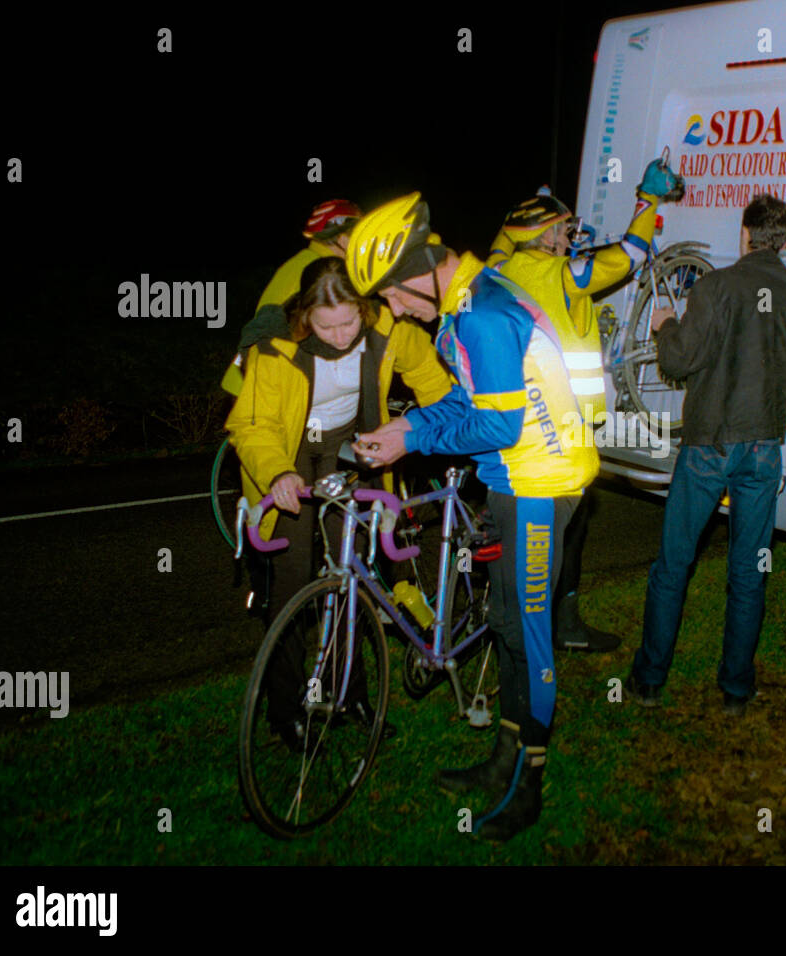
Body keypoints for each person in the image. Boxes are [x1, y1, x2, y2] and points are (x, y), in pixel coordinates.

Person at [344, 192, 599, 842]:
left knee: (528, 634)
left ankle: (527, 786)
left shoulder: (482, 313)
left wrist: (415, 438)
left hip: (542, 483)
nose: (395, 310)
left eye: (393, 296)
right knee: (507, 622)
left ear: (418, 271)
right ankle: (503, 758)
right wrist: (413, 423)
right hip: (520, 478)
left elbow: (500, 421)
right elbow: (472, 397)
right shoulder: (472, 299)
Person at [627, 193, 786, 716]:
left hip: (710, 443)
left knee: (674, 564)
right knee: (749, 571)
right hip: (764, 448)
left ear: (744, 234)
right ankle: (735, 690)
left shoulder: (715, 286)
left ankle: (648, 681)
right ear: (785, 241)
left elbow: (682, 361)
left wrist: (665, 325)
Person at [486, 165, 682, 652]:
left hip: (517, 422)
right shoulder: (566, 273)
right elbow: (630, 257)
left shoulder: (497, 270)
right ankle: (554, 630)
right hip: (566, 424)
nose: (569, 236)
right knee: (565, 532)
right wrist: (647, 200)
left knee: (524, 527)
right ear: (549, 238)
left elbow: (501, 242)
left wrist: (528, 215)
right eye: (563, 230)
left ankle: (518, 620)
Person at [225, 256, 452, 627]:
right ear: (304, 318)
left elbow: (430, 377)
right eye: (326, 327)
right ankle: (286, 682)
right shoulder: (275, 348)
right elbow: (253, 424)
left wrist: (451, 431)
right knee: (292, 569)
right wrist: (278, 473)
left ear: (363, 307)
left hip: (346, 445)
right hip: (289, 449)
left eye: (349, 321)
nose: (342, 335)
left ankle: (348, 675)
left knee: (352, 563)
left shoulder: (386, 326)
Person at [221, 199, 362, 398]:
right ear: (342, 239)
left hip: (248, 378)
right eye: (357, 235)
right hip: (265, 386)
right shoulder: (324, 274)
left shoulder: (302, 262)